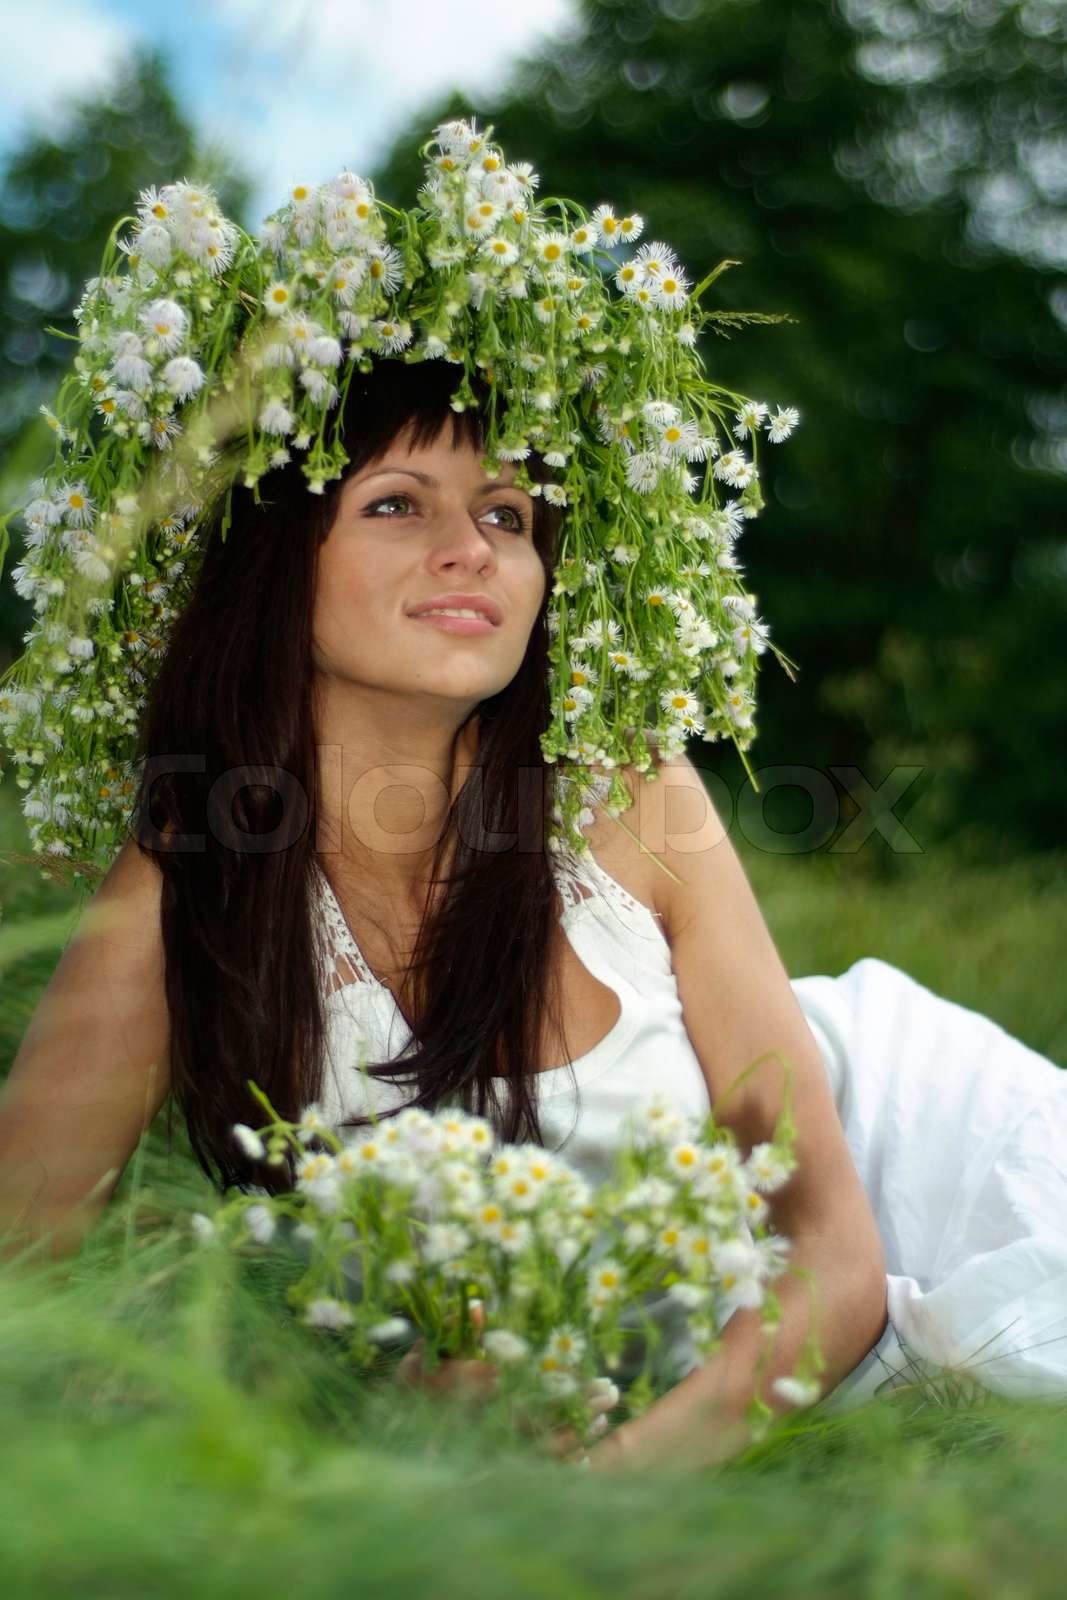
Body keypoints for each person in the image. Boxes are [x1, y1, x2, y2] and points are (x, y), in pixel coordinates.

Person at [1, 124, 1065, 1474]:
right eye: (398, 504)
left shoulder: (627, 791)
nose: (471, 550)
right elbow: (27, 1290)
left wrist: (602, 1495)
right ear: (278, 563)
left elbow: (836, 1267)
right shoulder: (183, 885)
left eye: (508, 515)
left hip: (937, 1177)